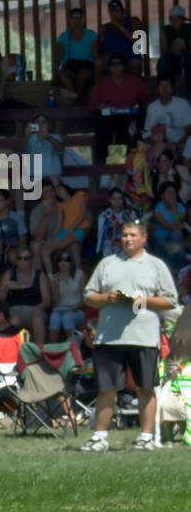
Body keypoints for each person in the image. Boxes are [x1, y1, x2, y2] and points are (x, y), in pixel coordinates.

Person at [81, 220, 178, 451]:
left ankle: (145, 437)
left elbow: (170, 300)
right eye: (124, 235)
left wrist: (142, 301)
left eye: (133, 235)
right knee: (106, 388)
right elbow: (88, 295)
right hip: (110, 337)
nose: (127, 239)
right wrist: (107, 298)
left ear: (143, 238)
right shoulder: (107, 263)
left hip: (144, 336)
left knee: (146, 387)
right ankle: (100, 437)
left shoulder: (155, 265)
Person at [89, 53, 149, 164]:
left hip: (129, 116)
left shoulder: (134, 81)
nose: (116, 67)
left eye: (119, 64)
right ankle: (102, 160)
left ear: (124, 66)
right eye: (112, 64)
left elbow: (145, 100)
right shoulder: (102, 83)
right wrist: (100, 106)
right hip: (109, 117)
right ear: (109, 67)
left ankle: (133, 159)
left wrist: (137, 106)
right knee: (100, 124)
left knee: (136, 125)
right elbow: (92, 104)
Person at [0, 247, 50, 345]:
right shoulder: (9, 274)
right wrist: (6, 288)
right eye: (19, 258)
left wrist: (38, 308)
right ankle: (16, 353)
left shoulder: (40, 275)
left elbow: (47, 300)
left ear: (31, 260)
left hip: (34, 309)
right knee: (14, 319)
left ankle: (39, 351)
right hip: (14, 310)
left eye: (26, 258)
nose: (22, 261)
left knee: (38, 318)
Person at [54, 7, 100, 104]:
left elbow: (96, 54)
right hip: (70, 65)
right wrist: (55, 71)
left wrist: (97, 70)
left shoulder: (91, 34)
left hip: (86, 65)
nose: (76, 20)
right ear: (70, 20)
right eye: (73, 17)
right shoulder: (64, 36)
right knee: (62, 74)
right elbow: (59, 56)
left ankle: (76, 96)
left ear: (83, 19)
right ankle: (74, 94)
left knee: (82, 76)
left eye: (79, 17)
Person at [99, 0, 145, 78]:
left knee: (135, 63)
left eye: (117, 10)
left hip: (130, 57)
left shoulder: (133, 21)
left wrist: (119, 26)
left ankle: (137, 87)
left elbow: (135, 39)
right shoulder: (105, 28)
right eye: (111, 11)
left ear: (123, 11)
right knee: (99, 63)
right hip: (113, 58)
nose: (114, 14)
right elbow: (102, 47)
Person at [48, 251, 86, 342]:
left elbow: (84, 297)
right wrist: (56, 287)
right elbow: (54, 302)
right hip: (58, 309)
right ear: (56, 263)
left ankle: (73, 348)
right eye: (60, 260)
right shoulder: (53, 277)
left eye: (67, 260)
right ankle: (51, 350)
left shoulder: (79, 274)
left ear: (71, 262)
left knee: (67, 317)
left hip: (76, 309)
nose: (63, 263)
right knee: (54, 318)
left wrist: (76, 307)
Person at [149, 181, 188, 268]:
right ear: (162, 195)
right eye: (169, 193)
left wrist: (174, 208)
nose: (172, 195)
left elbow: (177, 223)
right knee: (173, 247)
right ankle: (173, 270)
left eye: (174, 193)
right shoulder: (158, 209)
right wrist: (178, 226)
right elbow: (167, 225)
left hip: (175, 238)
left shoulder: (180, 207)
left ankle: (180, 272)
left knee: (177, 234)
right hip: (161, 237)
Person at [143, 75, 191, 145]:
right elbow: (148, 132)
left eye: (167, 85)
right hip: (159, 146)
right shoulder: (151, 108)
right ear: (157, 88)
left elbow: (189, 130)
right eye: (161, 85)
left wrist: (180, 144)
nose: (164, 88)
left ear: (172, 88)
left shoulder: (183, 104)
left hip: (181, 144)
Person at [22, 113, 64, 189]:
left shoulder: (55, 137)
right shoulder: (29, 138)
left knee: (57, 187)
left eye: (43, 122)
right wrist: (26, 136)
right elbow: (21, 151)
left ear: (49, 125)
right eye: (37, 122)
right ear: (33, 125)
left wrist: (48, 136)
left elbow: (61, 149)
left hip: (53, 176)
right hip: (34, 176)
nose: (40, 124)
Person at [97, 188, 138, 259]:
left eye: (120, 199)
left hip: (128, 241)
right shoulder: (104, 216)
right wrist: (115, 242)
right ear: (110, 200)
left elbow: (136, 231)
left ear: (123, 200)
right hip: (110, 243)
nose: (117, 201)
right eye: (114, 199)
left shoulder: (131, 214)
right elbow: (102, 235)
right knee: (107, 252)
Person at [158, 4, 191, 90]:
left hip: (187, 57)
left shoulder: (188, 29)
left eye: (177, 18)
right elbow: (163, 51)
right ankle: (166, 87)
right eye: (172, 18)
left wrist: (184, 49)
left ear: (183, 20)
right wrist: (172, 49)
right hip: (171, 57)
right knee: (162, 62)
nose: (174, 21)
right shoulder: (165, 29)